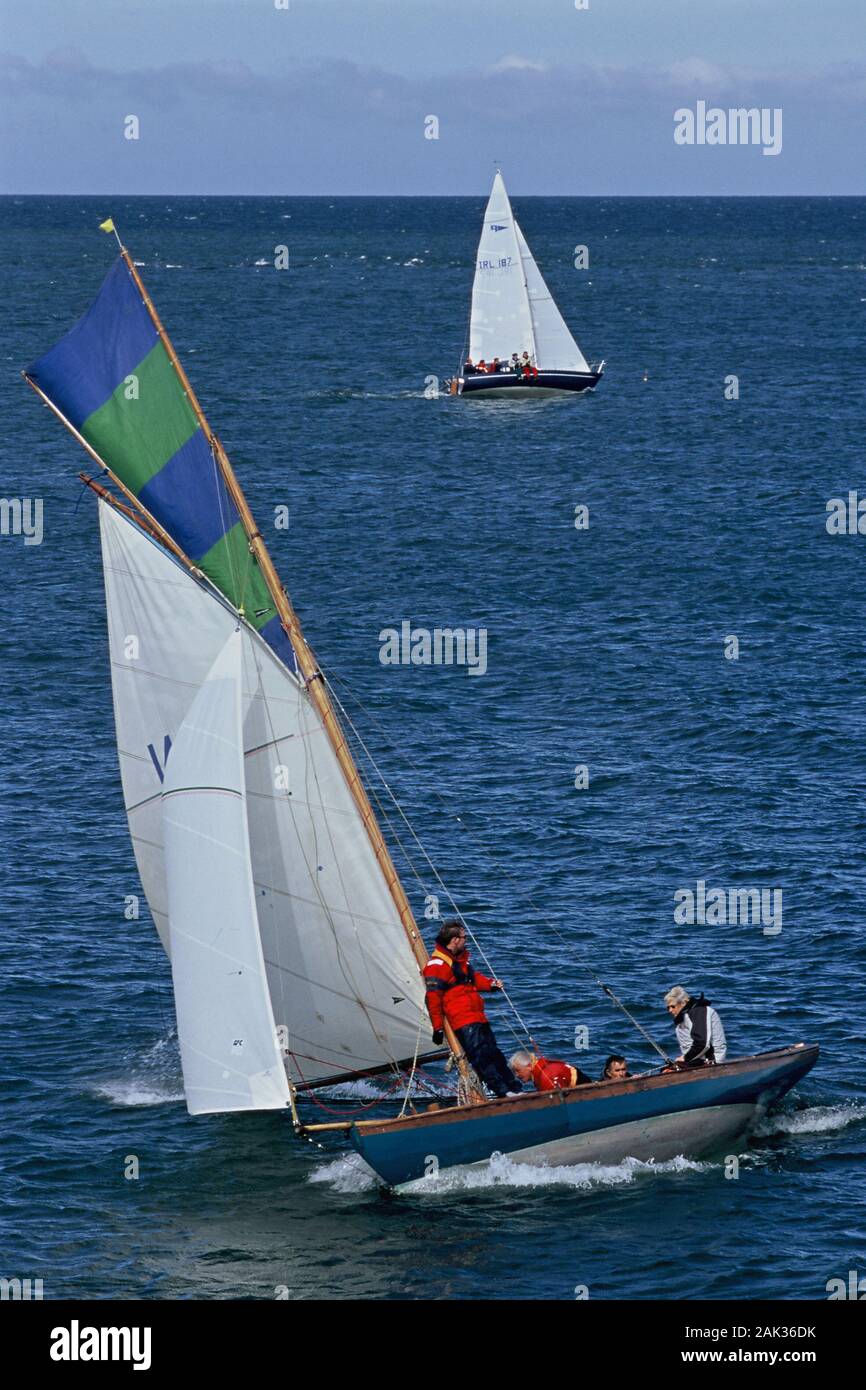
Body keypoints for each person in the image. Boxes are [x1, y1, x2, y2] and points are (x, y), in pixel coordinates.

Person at [423, 921, 520, 1097]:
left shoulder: (460, 961)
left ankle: (514, 1088)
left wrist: (491, 985)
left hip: (477, 1016)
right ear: (454, 940)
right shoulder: (436, 965)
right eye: (464, 938)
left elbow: (473, 978)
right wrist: (438, 1028)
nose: (466, 941)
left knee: (494, 1053)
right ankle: (502, 1092)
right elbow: (433, 999)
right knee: (481, 1057)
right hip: (463, 1020)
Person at [664, 986, 727, 1067]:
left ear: (683, 1003)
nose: (670, 1010)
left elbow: (702, 1044)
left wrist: (686, 1058)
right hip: (696, 1060)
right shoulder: (684, 1016)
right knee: (667, 1069)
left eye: (673, 1006)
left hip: (711, 1061)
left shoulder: (699, 1012)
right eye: (668, 1007)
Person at [509, 1050, 592, 1092]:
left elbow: (559, 1100)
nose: (516, 1075)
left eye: (518, 1070)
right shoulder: (538, 1072)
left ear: (529, 1066)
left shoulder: (546, 1076)